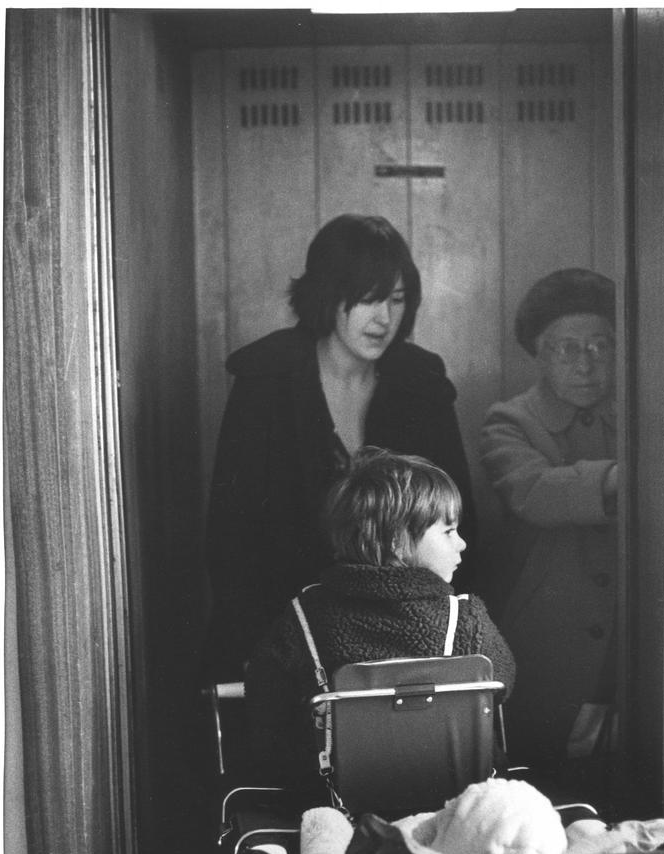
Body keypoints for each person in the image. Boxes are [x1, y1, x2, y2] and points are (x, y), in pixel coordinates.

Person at [203, 214, 476, 683]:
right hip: (285, 630)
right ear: (329, 294)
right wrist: (257, 647)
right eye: (368, 298)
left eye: (396, 299)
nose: (384, 318)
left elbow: (460, 518)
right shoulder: (266, 381)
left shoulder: (421, 383)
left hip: (402, 634)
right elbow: (231, 533)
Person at [245, 448, 514, 808]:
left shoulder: (303, 620)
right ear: (396, 542)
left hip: (333, 803)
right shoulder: (465, 619)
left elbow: (267, 711)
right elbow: (503, 686)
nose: (462, 543)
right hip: (453, 802)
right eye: (449, 530)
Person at [479, 268, 617, 775]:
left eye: (600, 346)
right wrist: (630, 477)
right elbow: (535, 494)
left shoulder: (646, 415)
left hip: (631, 645)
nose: (586, 363)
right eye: (566, 348)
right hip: (547, 642)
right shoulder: (510, 421)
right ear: (538, 354)